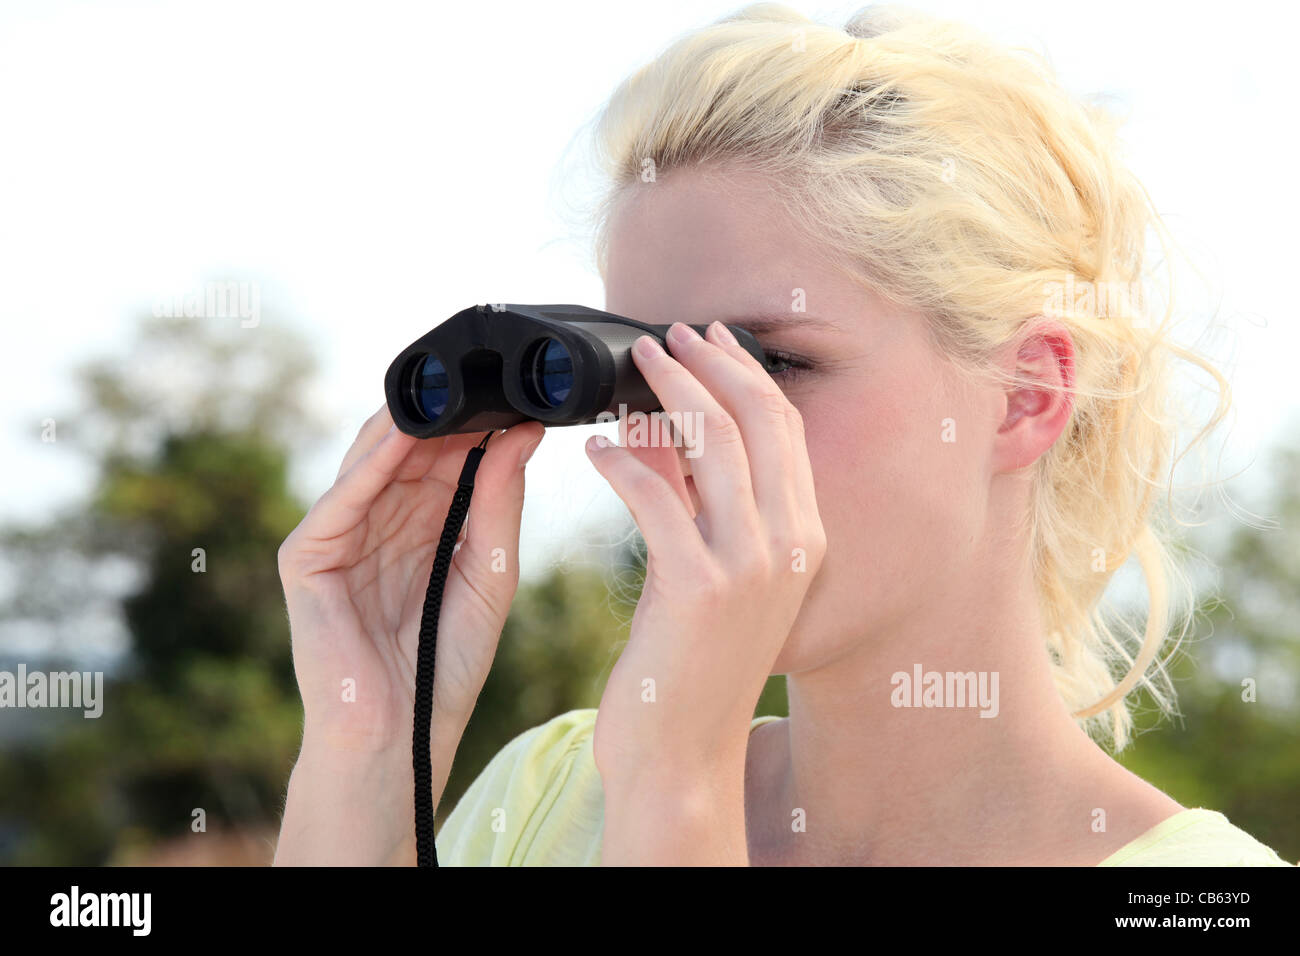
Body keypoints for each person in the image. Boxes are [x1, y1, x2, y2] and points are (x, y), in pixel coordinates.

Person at [273, 3, 1293, 866]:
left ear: (1025, 391)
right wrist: (370, 747)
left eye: (767, 366)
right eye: (643, 377)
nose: (684, 440)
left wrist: (678, 782)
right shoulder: (546, 793)